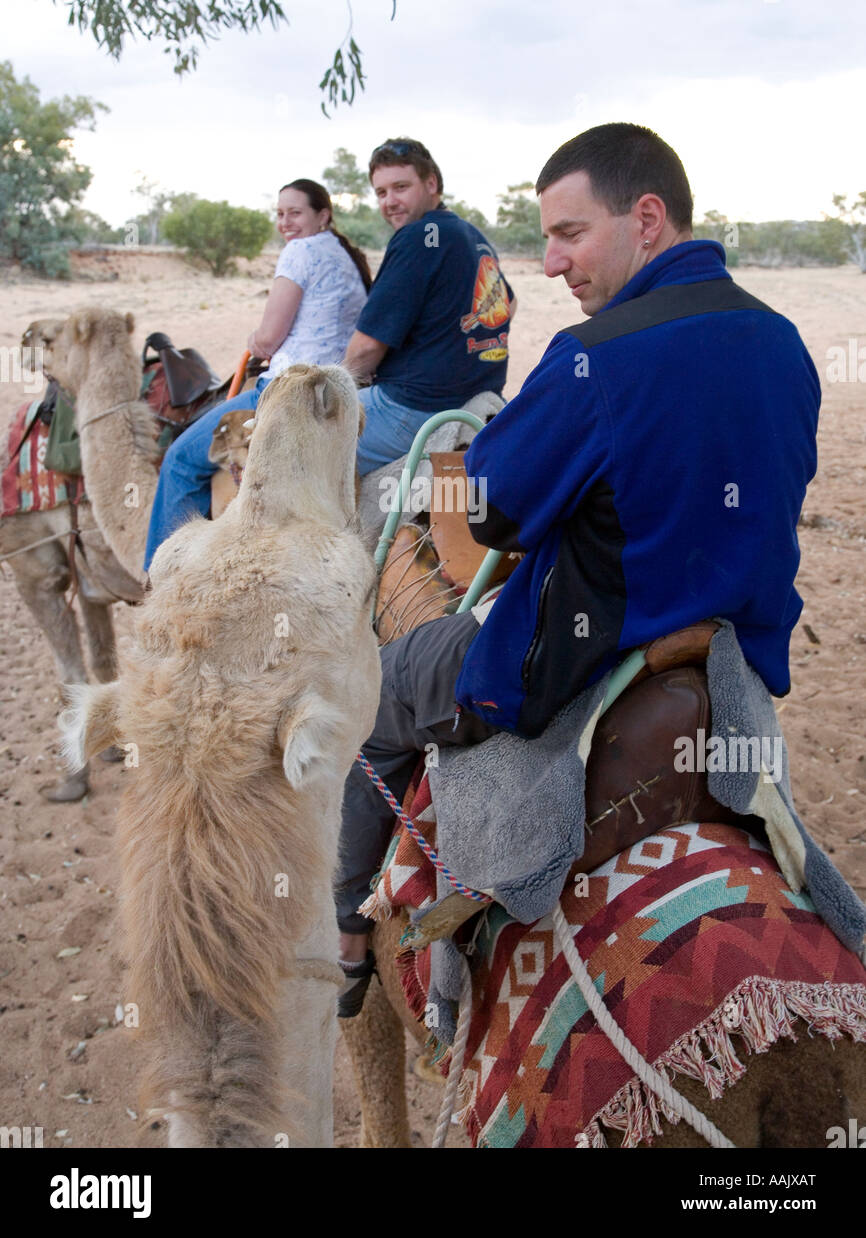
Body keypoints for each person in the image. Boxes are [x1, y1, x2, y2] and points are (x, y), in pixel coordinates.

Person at [335, 121, 820, 1016]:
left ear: (645, 218)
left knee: (380, 687)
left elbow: (492, 511)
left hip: (584, 660)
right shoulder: (785, 342)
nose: (551, 264)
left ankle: (348, 942)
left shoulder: (596, 357)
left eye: (568, 233)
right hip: (734, 667)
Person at [143, 179, 371, 569]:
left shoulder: (299, 252)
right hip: (334, 391)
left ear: (323, 215)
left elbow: (267, 339)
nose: (285, 222)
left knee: (180, 461)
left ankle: (163, 575)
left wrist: (256, 338)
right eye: (280, 214)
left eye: (295, 213)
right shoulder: (346, 256)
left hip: (285, 390)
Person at [342, 137, 516, 475]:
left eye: (401, 187)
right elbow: (510, 301)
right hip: (478, 395)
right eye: (381, 193)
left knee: (293, 447)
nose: (390, 201)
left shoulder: (417, 237)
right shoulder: (473, 236)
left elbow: (365, 349)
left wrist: (338, 394)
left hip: (411, 409)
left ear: (431, 183)